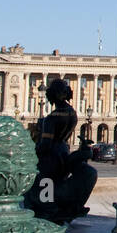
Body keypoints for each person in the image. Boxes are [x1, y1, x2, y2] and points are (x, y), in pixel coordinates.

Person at [24, 79, 97, 223]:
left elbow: (45, 144)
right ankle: (64, 210)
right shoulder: (72, 114)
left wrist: (30, 152)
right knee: (56, 182)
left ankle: (47, 215)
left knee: (43, 187)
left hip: (50, 158)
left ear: (51, 96)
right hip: (63, 151)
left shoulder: (51, 119)